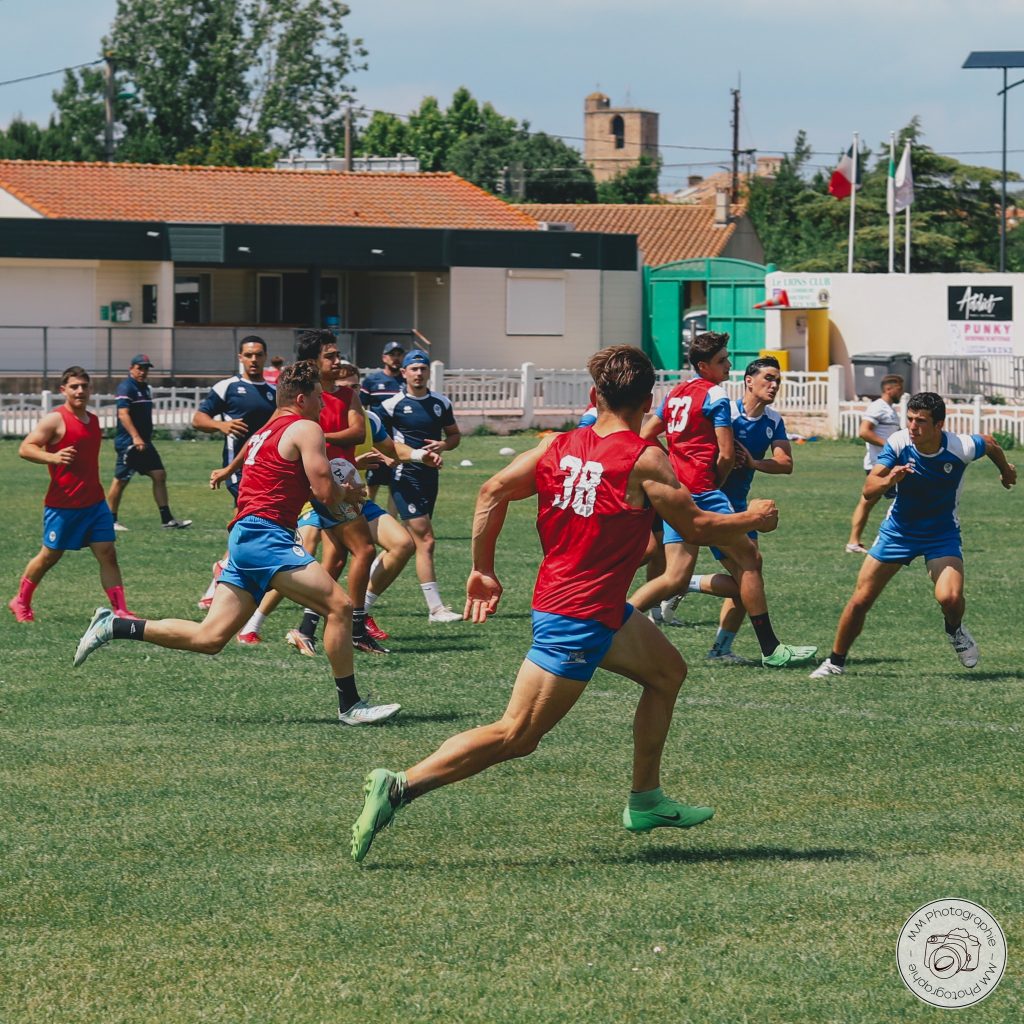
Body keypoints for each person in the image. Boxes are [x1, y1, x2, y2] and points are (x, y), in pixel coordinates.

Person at [350, 344, 780, 863]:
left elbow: (491, 491)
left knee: (667, 673)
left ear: (595, 395)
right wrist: (752, 518)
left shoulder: (558, 446)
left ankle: (646, 800)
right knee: (516, 734)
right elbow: (697, 525)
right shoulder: (646, 460)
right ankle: (400, 785)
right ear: (649, 402)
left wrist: (482, 568)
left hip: (591, 605)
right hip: (577, 616)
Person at [73, 361, 400, 726]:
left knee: (209, 638)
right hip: (265, 537)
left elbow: (282, 481)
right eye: (320, 399)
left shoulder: (266, 431)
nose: (324, 406)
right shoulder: (306, 428)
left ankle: (114, 626)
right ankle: (351, 706)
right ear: (303, 399)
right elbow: (325, 492)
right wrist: (352, 491)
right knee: (339, 607)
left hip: (246, 535)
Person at [628, 332, 816, 668]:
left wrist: (670, 467)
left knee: (678, 578)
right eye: (723, 360)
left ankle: (610, 623)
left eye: (778, 380)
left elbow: (644, 436)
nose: (774, 385)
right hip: (709, 496)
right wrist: (712, 483)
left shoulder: (676, 392)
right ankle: (771, 649)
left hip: (679, 495)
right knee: (750, 565)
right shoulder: (718, 398)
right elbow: (726, 455)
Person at [810, 392, 1016, 679]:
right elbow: (868, 489)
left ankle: (954, 629)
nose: (913, 426)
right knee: (860, 599)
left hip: (941, 533)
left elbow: (991, 444)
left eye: (921, 421)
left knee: (950, 598)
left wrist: (1006, 472)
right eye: (910, 419)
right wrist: (888, 480)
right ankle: (834, 662)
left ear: (939, 425)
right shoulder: (898, 442)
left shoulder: (960, 447)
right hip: (898, 532)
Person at [233, 360, 437, 646]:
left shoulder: (364, 417)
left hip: (343, 492)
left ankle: (340, 620)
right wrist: (231, 468)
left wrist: (417, 456)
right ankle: (348, 623)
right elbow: (312, 470)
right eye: (346, 385)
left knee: (389, 546)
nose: (351, 391)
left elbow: (387, 447)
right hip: (316, 495)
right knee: (323, 556)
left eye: (355, 386)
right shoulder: (306, 419)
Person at [9, 367, 135, 623]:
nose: (80, 391)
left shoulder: (94, 420)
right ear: (63, 390)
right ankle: (20, 600)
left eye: (84, 386)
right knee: (49, 556)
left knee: (107, 553)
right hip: (63, 505)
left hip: (95, 503)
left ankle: (121, 610)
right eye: (74, 386)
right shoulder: (54, 420)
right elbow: (26, 448)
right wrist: (52, 457)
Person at [702, 357, 794, 663]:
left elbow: (785, 463)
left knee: (749, 582)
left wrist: (754, 463)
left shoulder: (773, 421)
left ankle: (720, 649)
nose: (774, 385)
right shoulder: (724, 411)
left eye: (778, 380)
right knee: (749, 576)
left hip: (741, 507)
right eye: (768, 378)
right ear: (748, 381)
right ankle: (682, 584)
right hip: (712, 502)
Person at [192, 335, 278, 609]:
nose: (254, 360)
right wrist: (222, 426)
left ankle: (226, 574)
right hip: (236, 470)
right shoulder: (227, 387)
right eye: (248, 355)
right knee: (249, 522)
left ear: (265, 357)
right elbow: (198, 419)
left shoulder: (274, 392)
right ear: (240, 357)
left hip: (267, 471)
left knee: (250, 525)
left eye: (258, 355)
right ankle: (223, 579)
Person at [378, 349, 464, 622]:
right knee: (425, 540)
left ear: (428, 372)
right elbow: (378, 439)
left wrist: (443, 445)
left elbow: (454, 435)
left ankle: (363, 589)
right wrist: (387, 458)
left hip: (430, 476)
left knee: (406, 542)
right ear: (403, 373)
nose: (418, 373)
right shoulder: (391, 405)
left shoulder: (440, 403)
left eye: (422, 369)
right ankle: (436, 608)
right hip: (406, 474)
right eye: (413, 369)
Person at [106, 354, 191, 531]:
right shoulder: (126, 387)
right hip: (130, 443)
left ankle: (167, 520)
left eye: (146, 368)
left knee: (159, 475)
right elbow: (123, 414)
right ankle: (109, 521)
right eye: (139, 368)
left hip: (144, 443)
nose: (143, 372)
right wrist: (135, 437)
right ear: (131, 368)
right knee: (120, 480)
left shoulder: (144, 388)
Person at [846, 373, 905, 554]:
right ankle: (898, 539)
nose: (902, 393)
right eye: (899, 389)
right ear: (889, 389)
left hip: (885, 464)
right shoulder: (878, 407)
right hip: (879, 465)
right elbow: (864, 432)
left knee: (867, 503)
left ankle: (853, 542)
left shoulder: (888, 409)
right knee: (904, 500)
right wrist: (889, 447)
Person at [360, 340, 406, 503]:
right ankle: (369, 520)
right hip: (377, 441)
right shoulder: (371, 381)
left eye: (399, 355)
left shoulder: (406, 382)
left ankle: (392, 521)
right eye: (392, 355)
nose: (396, 358)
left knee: (397, 487)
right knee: (372, 484)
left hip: (399, 441)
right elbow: (361, 410)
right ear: (384, 358)